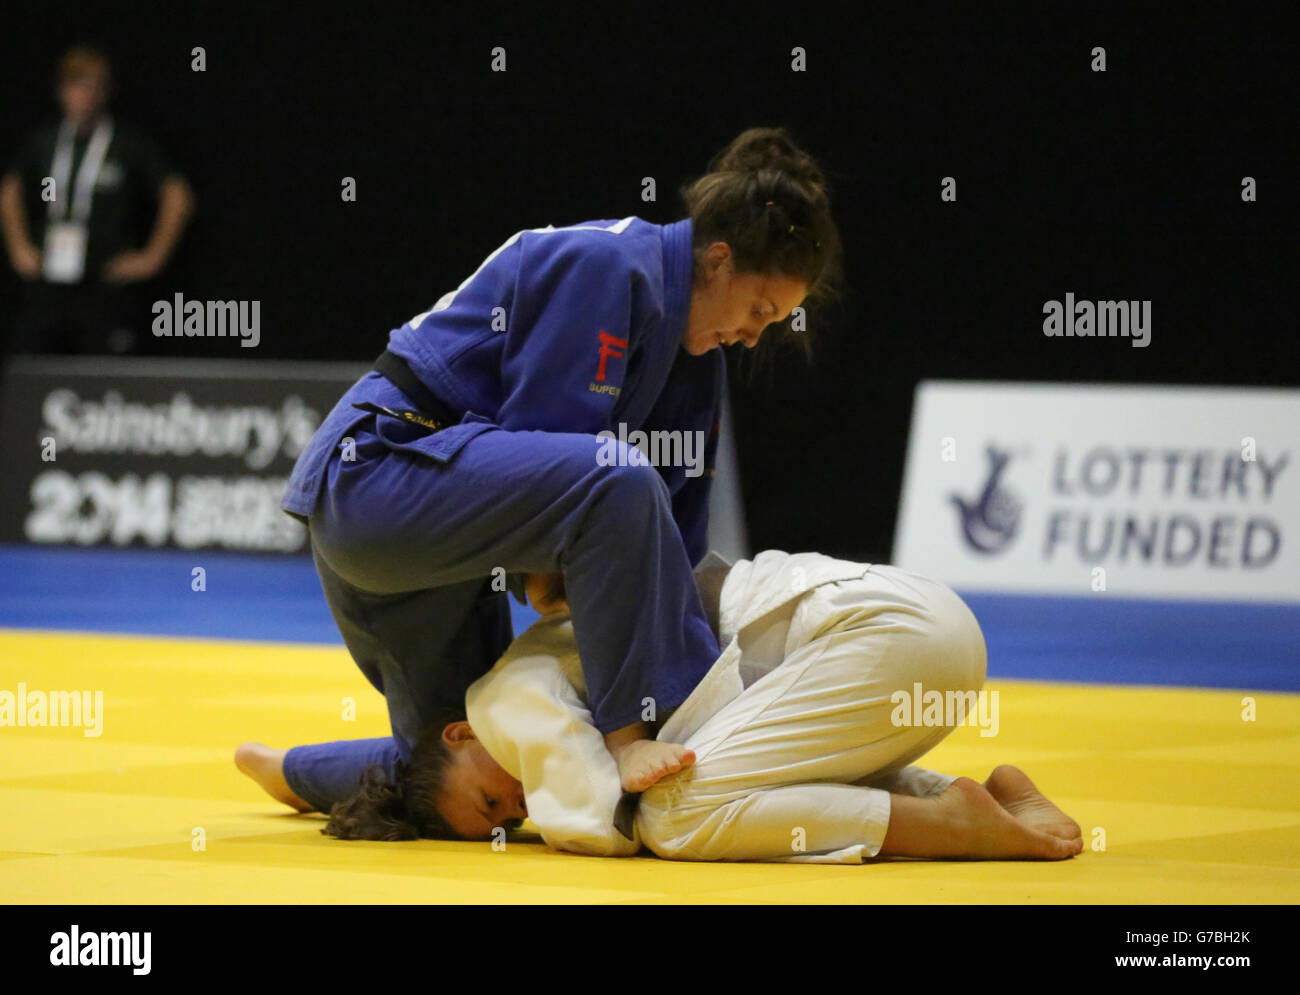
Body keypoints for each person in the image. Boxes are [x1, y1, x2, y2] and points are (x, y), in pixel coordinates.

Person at [267, 126, 842, 809]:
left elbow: (675, 557)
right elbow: (564, 474)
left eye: (773, 324)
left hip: (444, 552)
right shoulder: (607, 265)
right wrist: (637, 721)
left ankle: (287, 771)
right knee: (617, 476)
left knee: (480, 769)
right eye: (758, 309)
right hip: (379, 483)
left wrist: (715, 688)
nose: (755, 334)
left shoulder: (698, 365)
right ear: (717, 259)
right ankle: (628, 739)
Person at [237, 551, 1083, 862]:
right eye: (512, 821)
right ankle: (967, 795)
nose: (525, 804)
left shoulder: (503, 697)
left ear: (459, 731)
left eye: (496, 798)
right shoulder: (489, 734)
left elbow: (590, 807)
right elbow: (385, 767)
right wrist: (281, 770)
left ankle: (954, 829)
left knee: (672, 819)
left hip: (882, 639)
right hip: (912, 650)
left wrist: (279, 768)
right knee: (733, 776)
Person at [1, 45, 194, 355]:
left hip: (104, 281)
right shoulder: (45, 142)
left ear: (105, 91)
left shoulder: (126, 144)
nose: (84, 95)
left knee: (101, 373)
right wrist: (19, 246)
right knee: (29, 368)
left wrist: (152, 256)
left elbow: (177, 194)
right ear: (61, 91)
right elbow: (10, 189)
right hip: (48, 280)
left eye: (91, 86)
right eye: (76, 86)